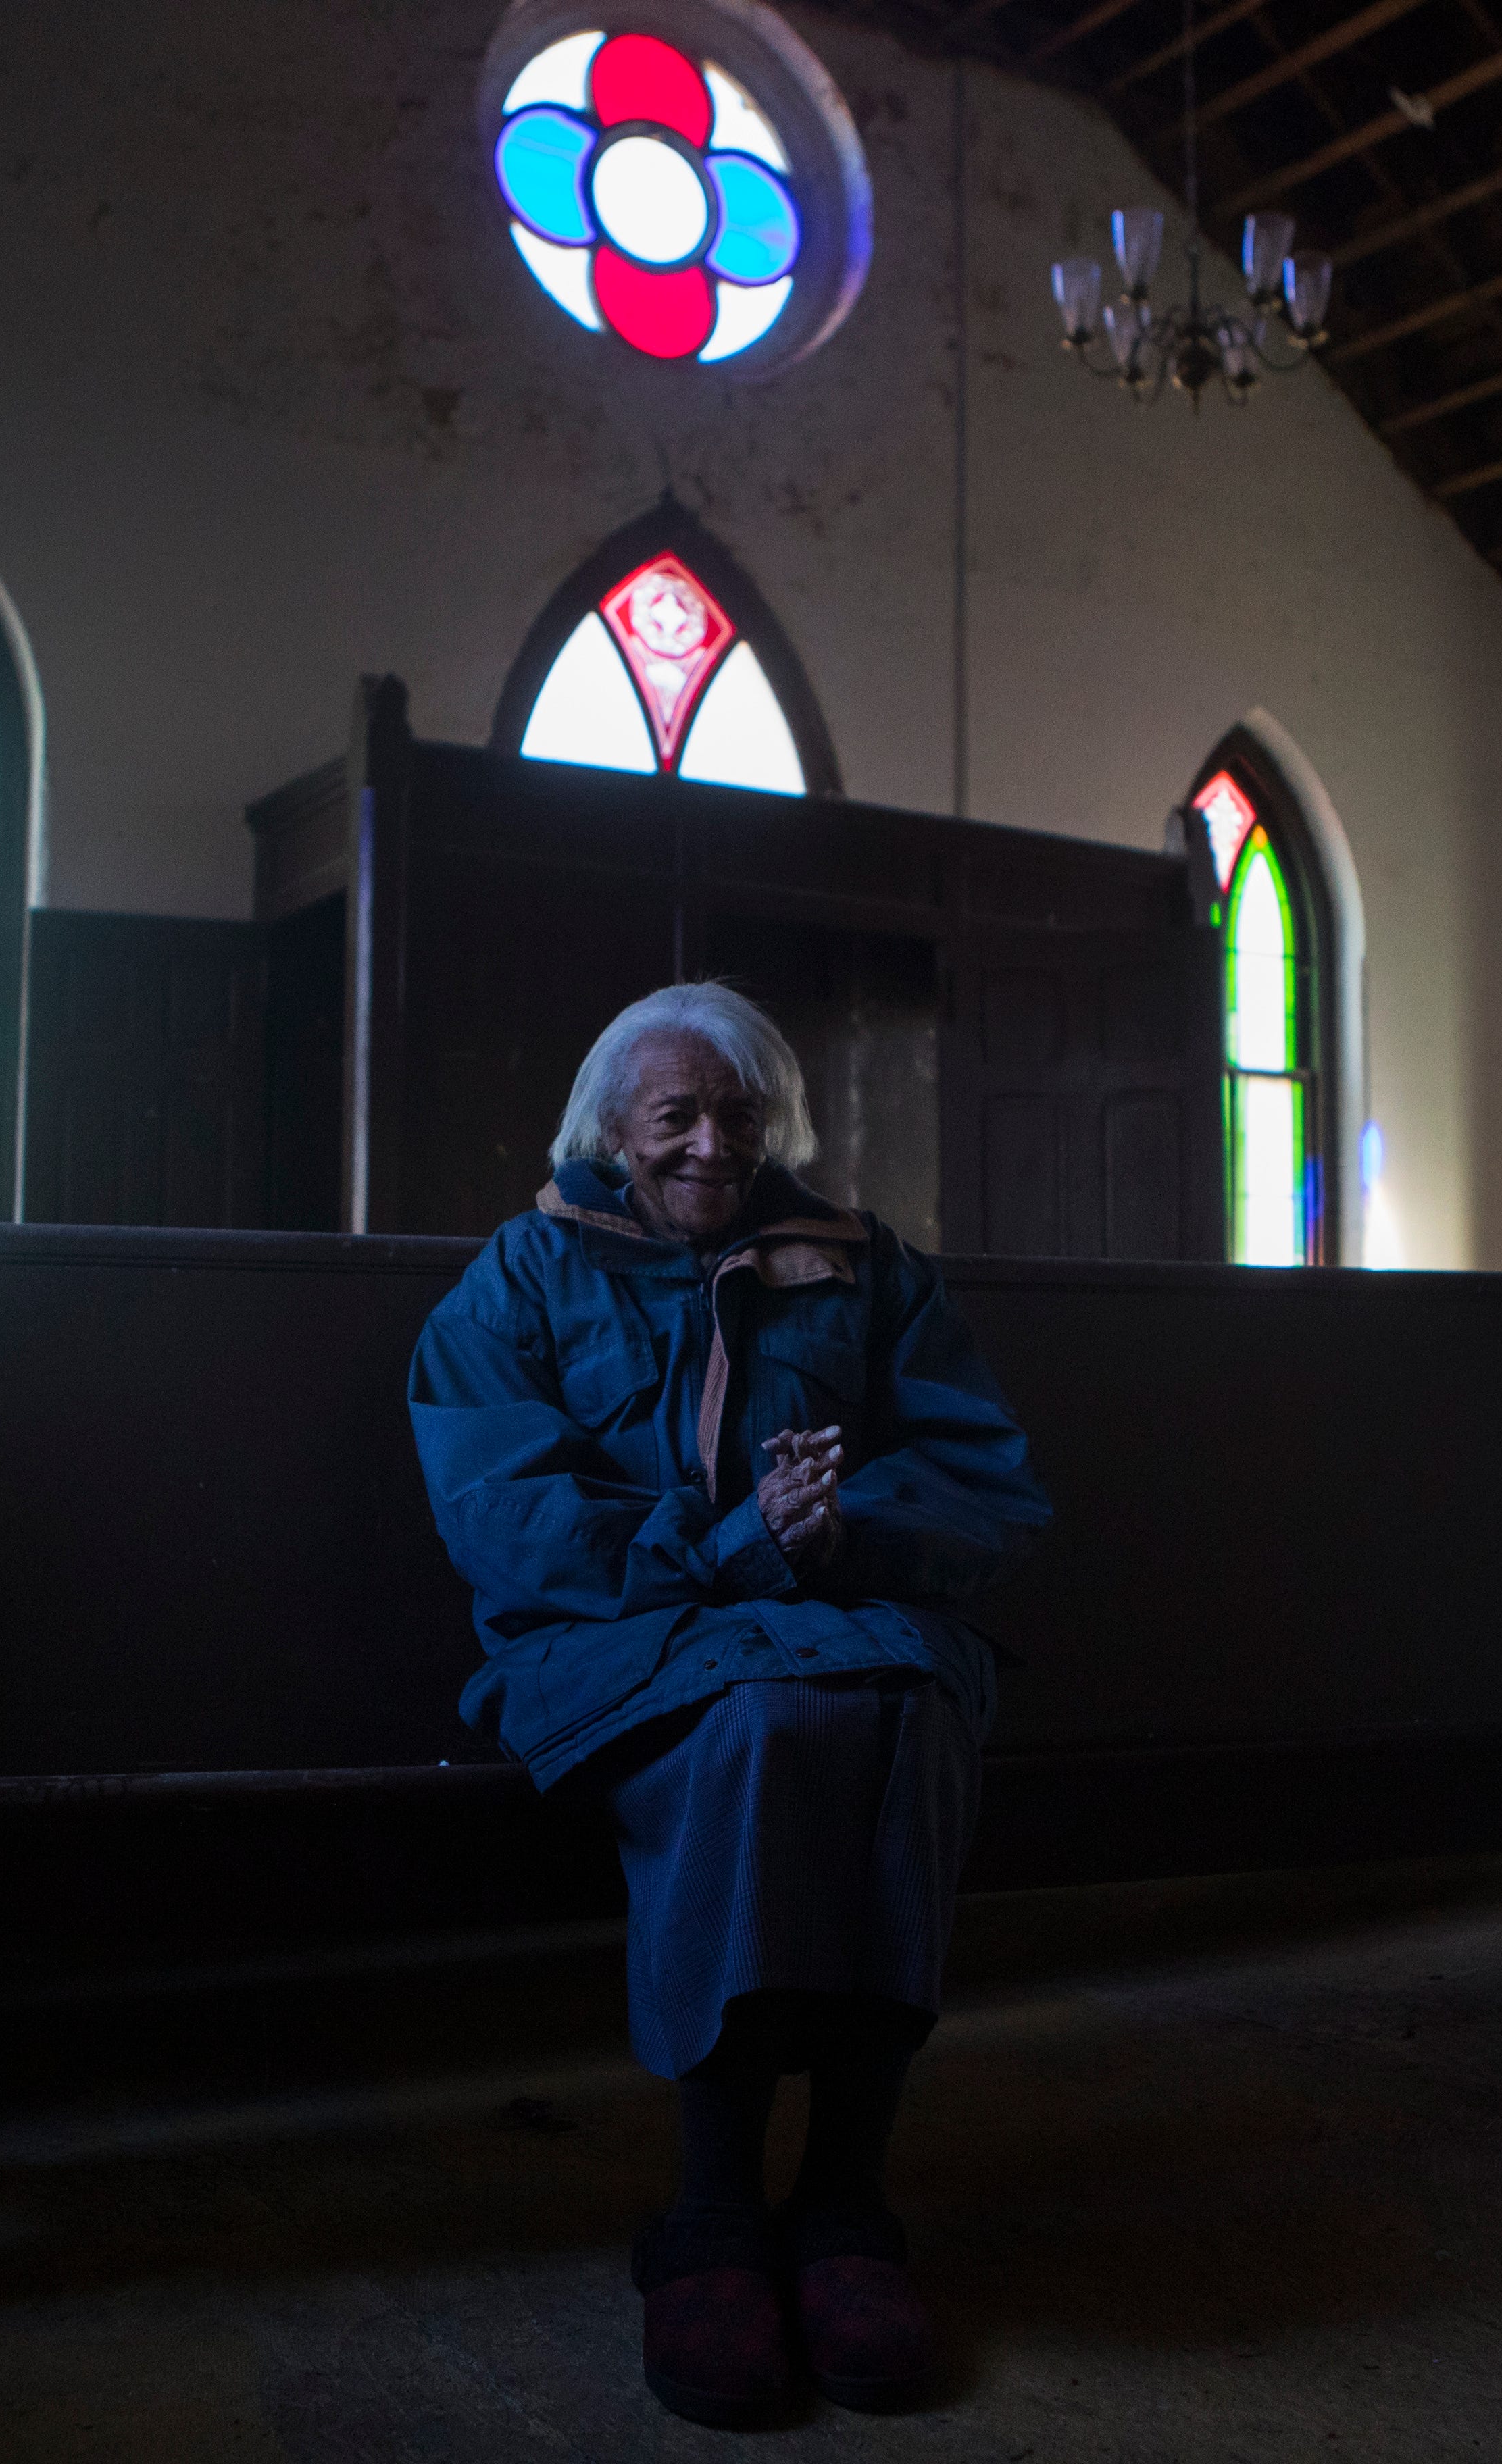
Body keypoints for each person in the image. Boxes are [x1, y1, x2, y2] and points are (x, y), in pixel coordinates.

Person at [407, 981, 1051, 2428]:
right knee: (765, 1729)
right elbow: (510, 1524)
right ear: (609, 1130)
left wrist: (845, 1534)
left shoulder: (864, 1267)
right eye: (675, 1118)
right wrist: (732, 1546)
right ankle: (710, 2212)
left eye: (740, 1117)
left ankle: (842, 2203)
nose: (711, 1147)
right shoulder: (520, 1277)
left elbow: (983, 1479)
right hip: (608, 1644)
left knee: (910, 1708)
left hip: (836, 1607)